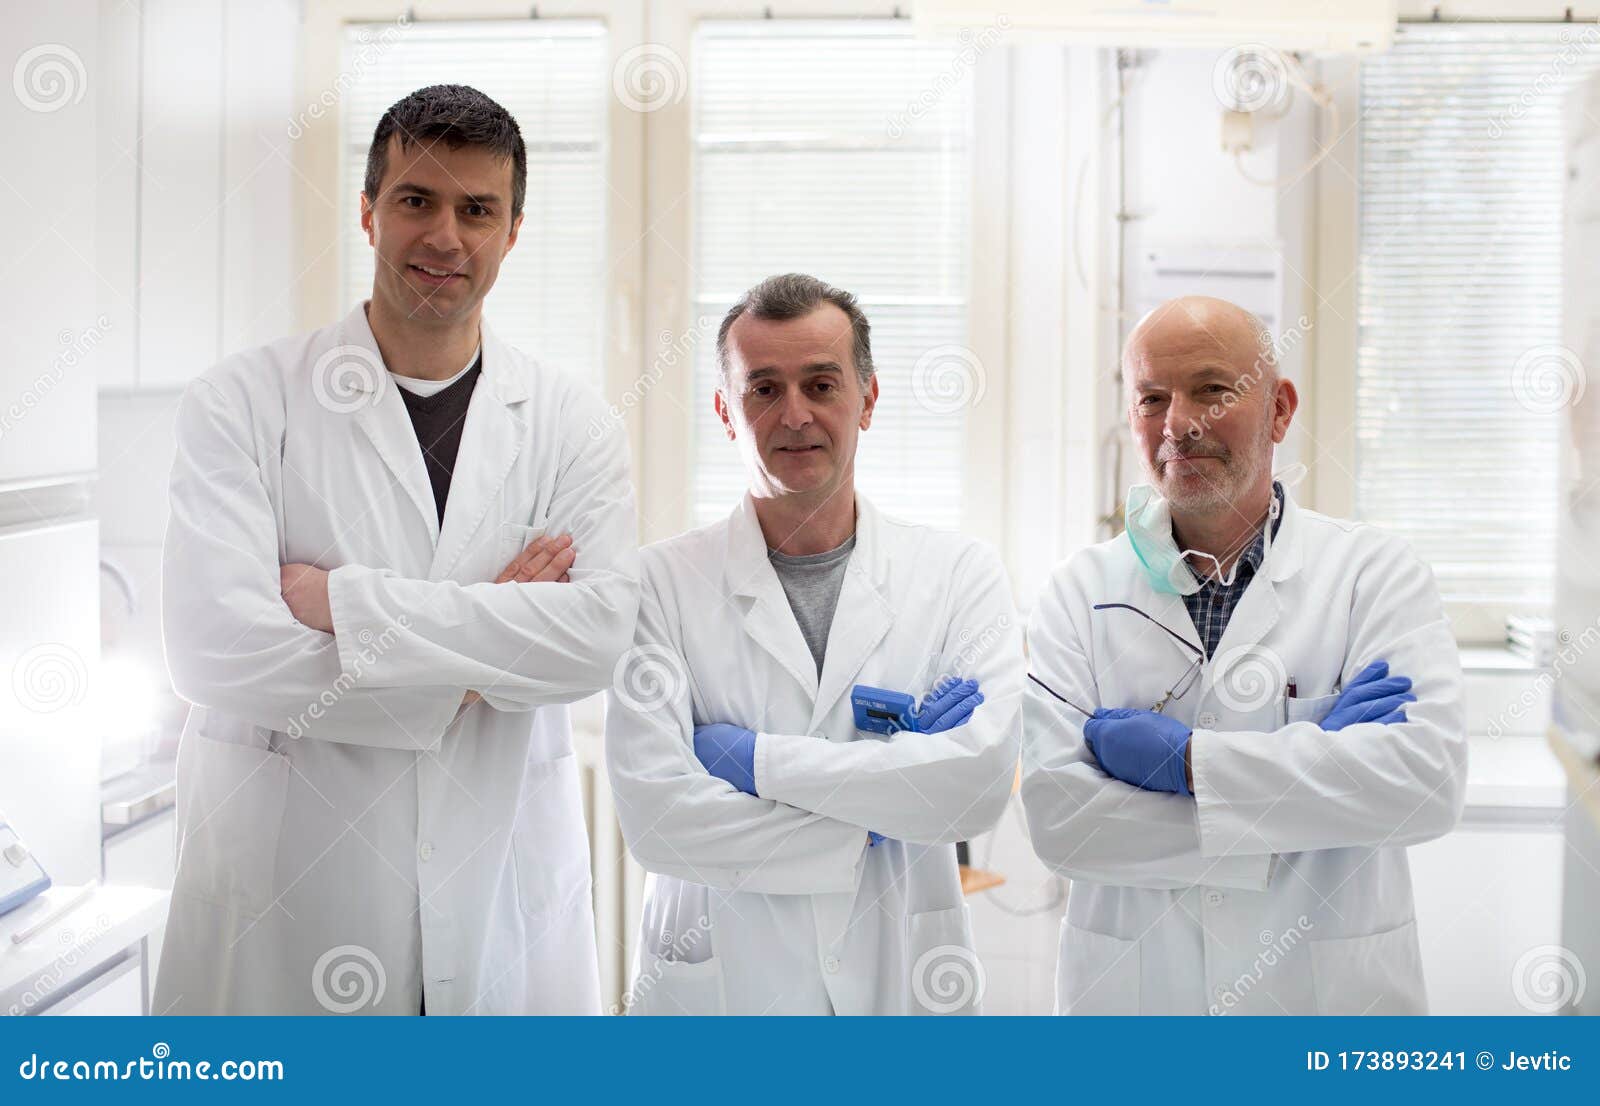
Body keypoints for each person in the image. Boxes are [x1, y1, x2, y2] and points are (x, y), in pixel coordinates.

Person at [156, 85, 638, 1014]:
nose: (445, 237)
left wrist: (347, 606)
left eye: (477, 209)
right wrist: (478, 663)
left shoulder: (572, 424)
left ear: (513, 230)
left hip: (498, 887)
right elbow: (216, 649)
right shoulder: (244, 402)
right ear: (370, 212)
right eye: (418, 200)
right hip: (290, 903)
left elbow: (595, 641)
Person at [1021, 295, 1466, 1015]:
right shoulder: (1078, 592)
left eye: (1212, 390)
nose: (1178, 424)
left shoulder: (1374, 575)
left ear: (1280, 410)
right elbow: (1063, 826)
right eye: (1152, 398)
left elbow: (1424, 786)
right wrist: (1317, 764)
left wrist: (1189, 764)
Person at [605, 274, 1020, 1015]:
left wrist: (753, 762)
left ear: (868, 398)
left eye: (820, 384)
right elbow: (660, 821)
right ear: (725, 412)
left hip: (902, 977)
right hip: (724, 990)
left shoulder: (959, 576)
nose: (794, 414)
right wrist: (881, 807)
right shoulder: (659, 585)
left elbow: (978, 788)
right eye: (763, 388)